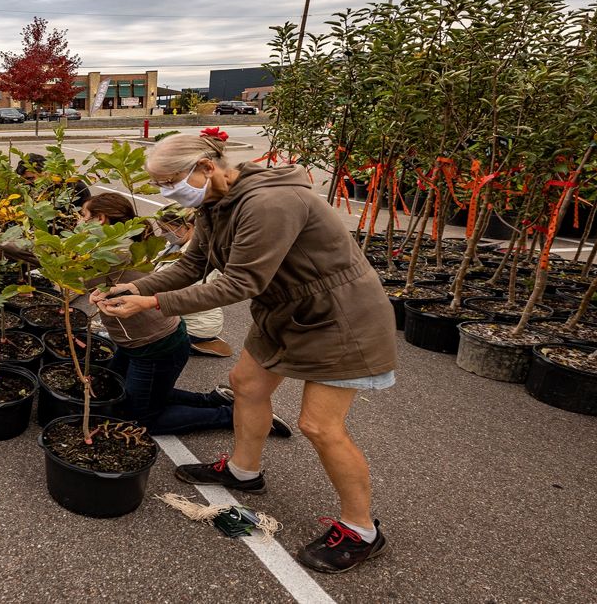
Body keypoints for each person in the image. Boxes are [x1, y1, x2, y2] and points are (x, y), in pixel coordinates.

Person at [93, 129, 397, 574]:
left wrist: (152, 302)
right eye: (157, 185)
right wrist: (135, 286)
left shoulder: (268, 204)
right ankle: (243, 471)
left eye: (168, 180)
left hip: (340, 319)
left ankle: (361, 530)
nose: (164, 192)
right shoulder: (217, 204)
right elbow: (194, 264)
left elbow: (240, 283)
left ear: (206, 166)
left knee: (319, 425)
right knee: (245, 384)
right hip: (285, 312)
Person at [74, 193, 292, 435]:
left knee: (142, 418)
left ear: (101, 219)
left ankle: (235, 416)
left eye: (83, 216)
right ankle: (214, 400)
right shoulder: (121, 246)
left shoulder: (114, 252)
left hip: (155, 345)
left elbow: (69, 274)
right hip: (139, 341)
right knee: (126, 389)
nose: (79, 222)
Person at [154, 205, 232, 357]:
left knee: (148, 343)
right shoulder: (176, 245)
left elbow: (185, 296)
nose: (162, 235)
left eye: (166, 230)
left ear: (188, 227)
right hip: (180, 317)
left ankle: (197, 342)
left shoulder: (202, 256)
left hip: (196, 323)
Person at [15, 152, 91, 214]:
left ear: (46, 172)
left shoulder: (74, 188)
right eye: (23, 180)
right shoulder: (39, 188)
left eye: (30, 178)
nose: (27, 183)